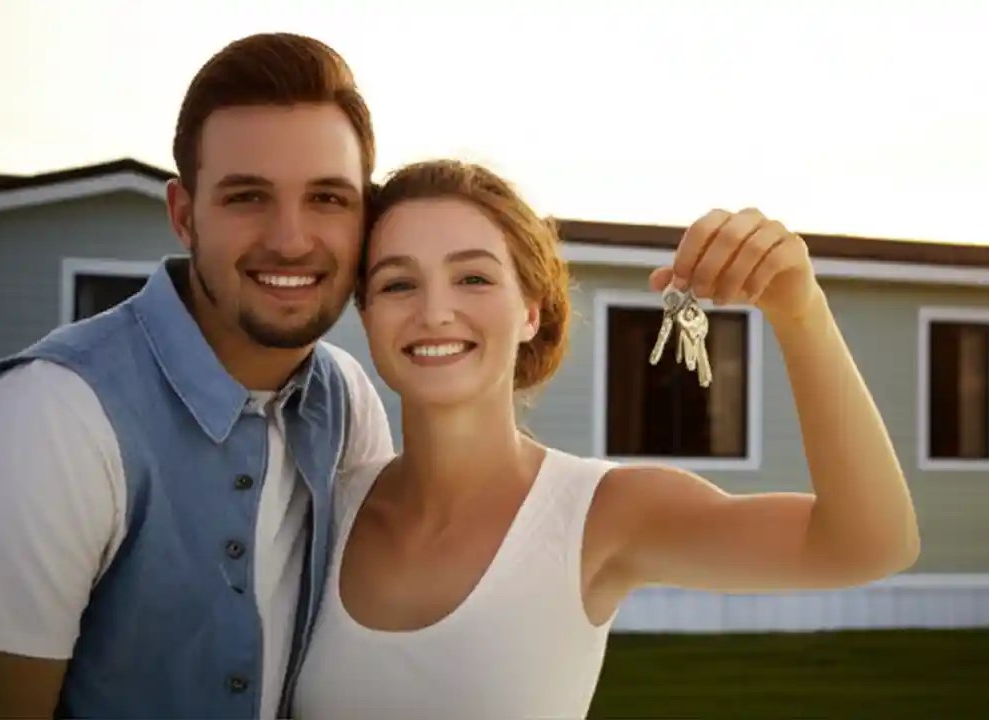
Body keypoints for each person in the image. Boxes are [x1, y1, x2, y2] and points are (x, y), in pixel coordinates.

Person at [290, 159, 921, 719]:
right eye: (399, 283)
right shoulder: (322, 505)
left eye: (474, 279)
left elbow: (868, 545)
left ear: (531, 311)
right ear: (366, 314)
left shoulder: (601, 514)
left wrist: (799, 308)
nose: (434, 311)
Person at [0, 33, 393, 719]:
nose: (291, 239)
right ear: (184, 215)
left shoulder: (347, 399)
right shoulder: (48, 417)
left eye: (328, 199)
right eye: (248, 197)